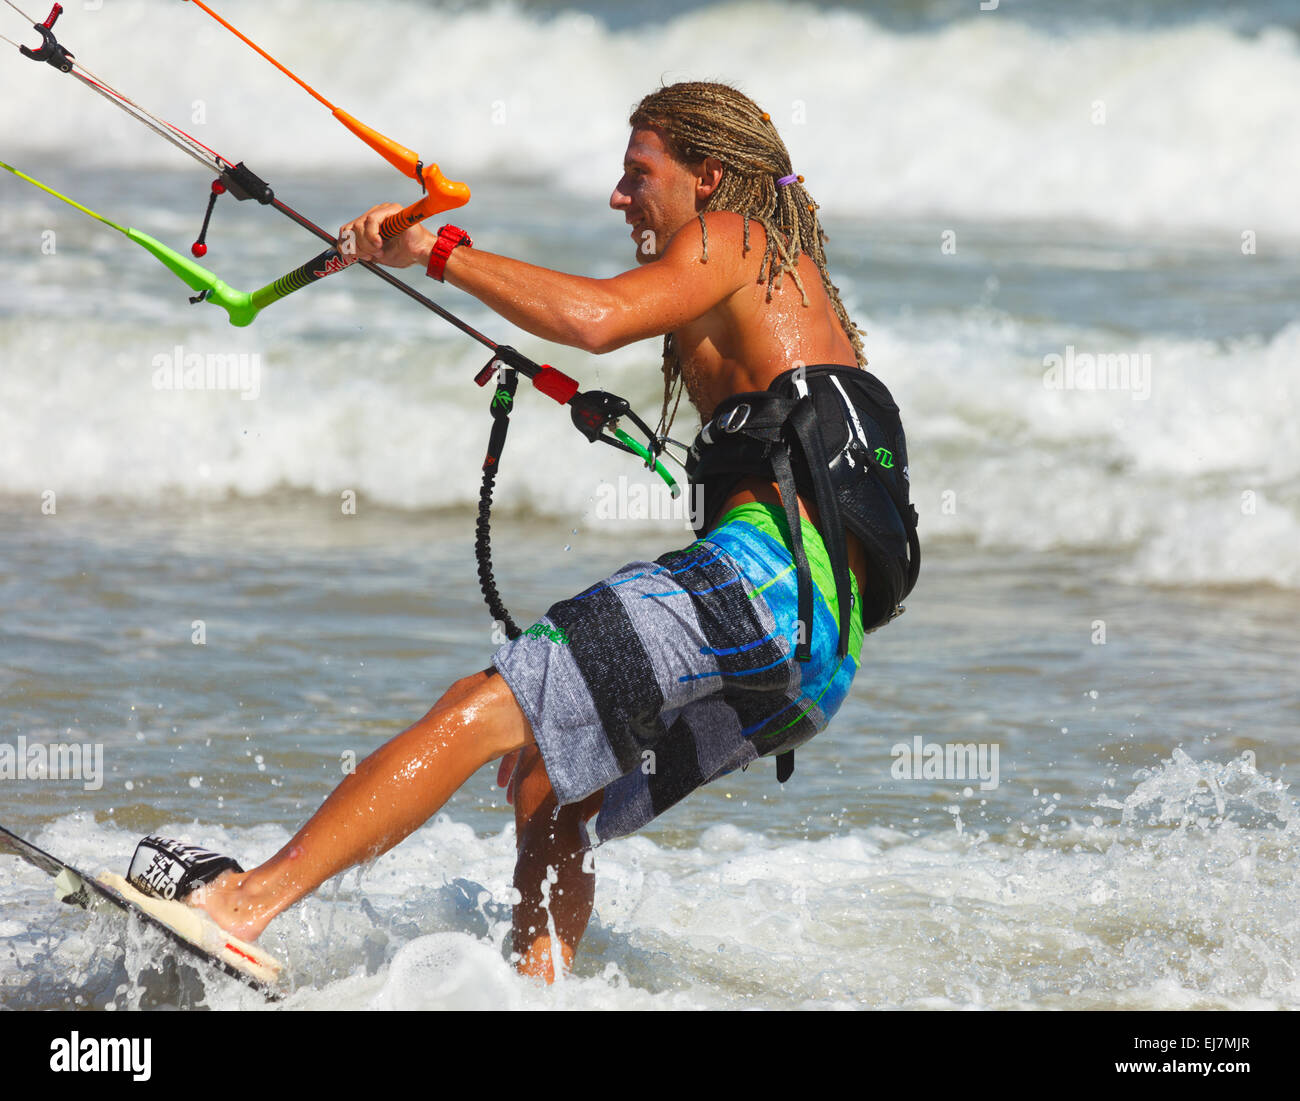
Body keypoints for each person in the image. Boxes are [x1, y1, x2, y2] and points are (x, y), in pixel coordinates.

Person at [176, 81, 918, 982]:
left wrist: (438, 250)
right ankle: (539, 986)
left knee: (484, 706)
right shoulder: (773, 293)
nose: (619, 197)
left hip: (765, 579)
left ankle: (241, 905)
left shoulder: (737, 236)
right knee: (550, 772)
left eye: (638, 173)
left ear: (709, 175)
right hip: (817, 655)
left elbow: (594, 318)